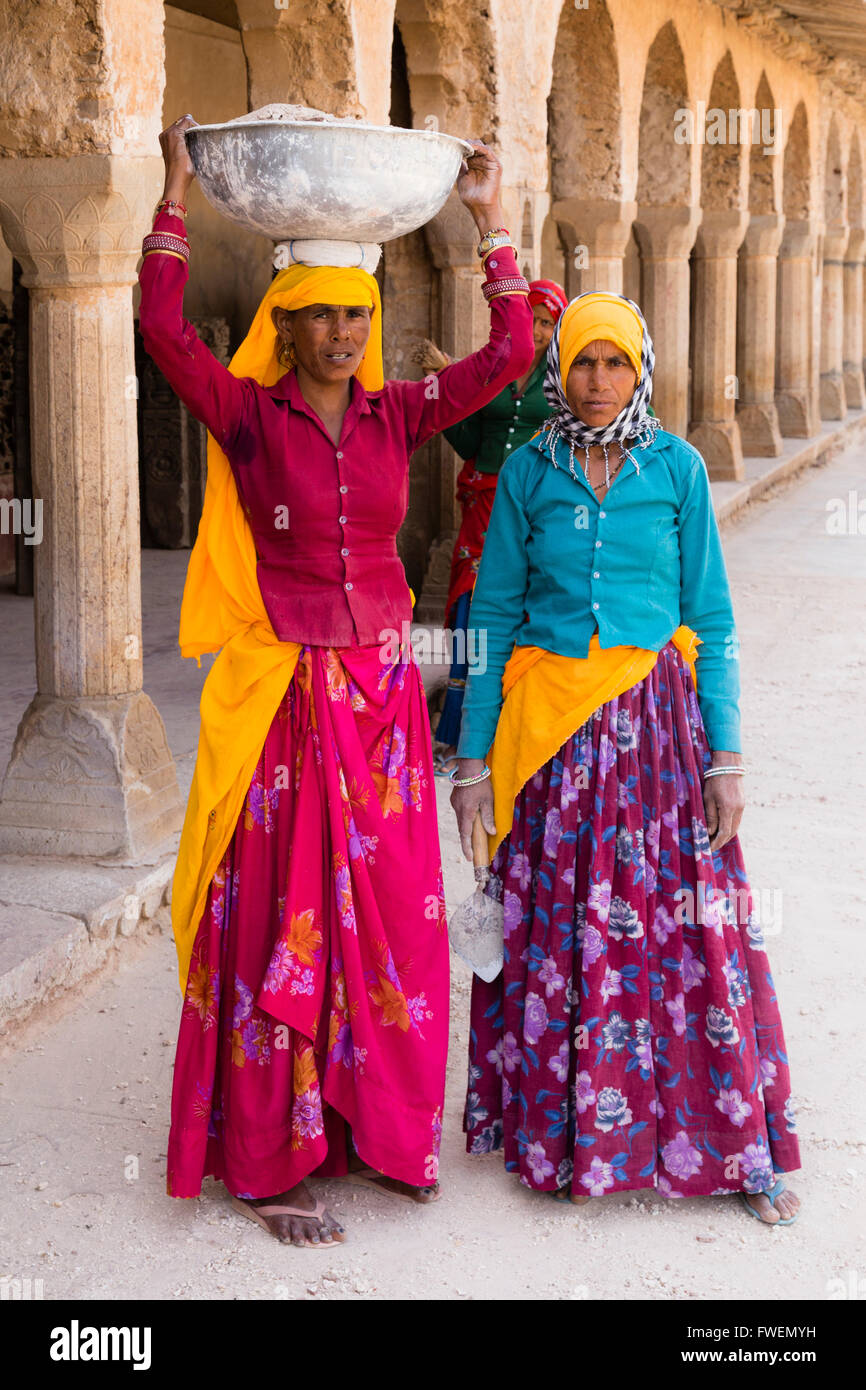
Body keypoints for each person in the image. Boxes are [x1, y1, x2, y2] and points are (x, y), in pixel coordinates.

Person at [138, 115, 534, 1248]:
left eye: (357, 314)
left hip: (385, 700)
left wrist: (490, 221)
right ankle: (268, 1158)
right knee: (278, 921)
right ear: (287, 321)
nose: (343, 333)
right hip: (287, 702)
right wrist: (175, 194)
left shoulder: (397, 416)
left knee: (397, 918)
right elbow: (161, 332)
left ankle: (376, 1129)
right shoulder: (249, 420)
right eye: (322, 313)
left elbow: (508, 358)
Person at [450, 291, 802, 1226]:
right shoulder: (530, 472)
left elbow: (712, 620)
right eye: (580, 363)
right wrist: (473, 764)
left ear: (639, 368)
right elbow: (491, 620)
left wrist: (727, 758)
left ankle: (731, 1145)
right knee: (562, 936)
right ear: (558, 370)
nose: (597, 381)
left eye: (613, 362)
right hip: (556, 749)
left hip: (658, 743)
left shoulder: (676, 468)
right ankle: (566, 1137)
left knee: (689, 936)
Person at [413, 280, 567, 771]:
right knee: (468, 603)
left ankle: (511, 726)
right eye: (533, 320)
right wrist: (441, 390)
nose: (539, 331)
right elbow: (471, 434)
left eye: (547, 323)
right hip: (481, 500)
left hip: (532, 504)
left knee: (517, 605)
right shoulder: (498, 365)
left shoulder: (564, 377)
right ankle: (455, 736)